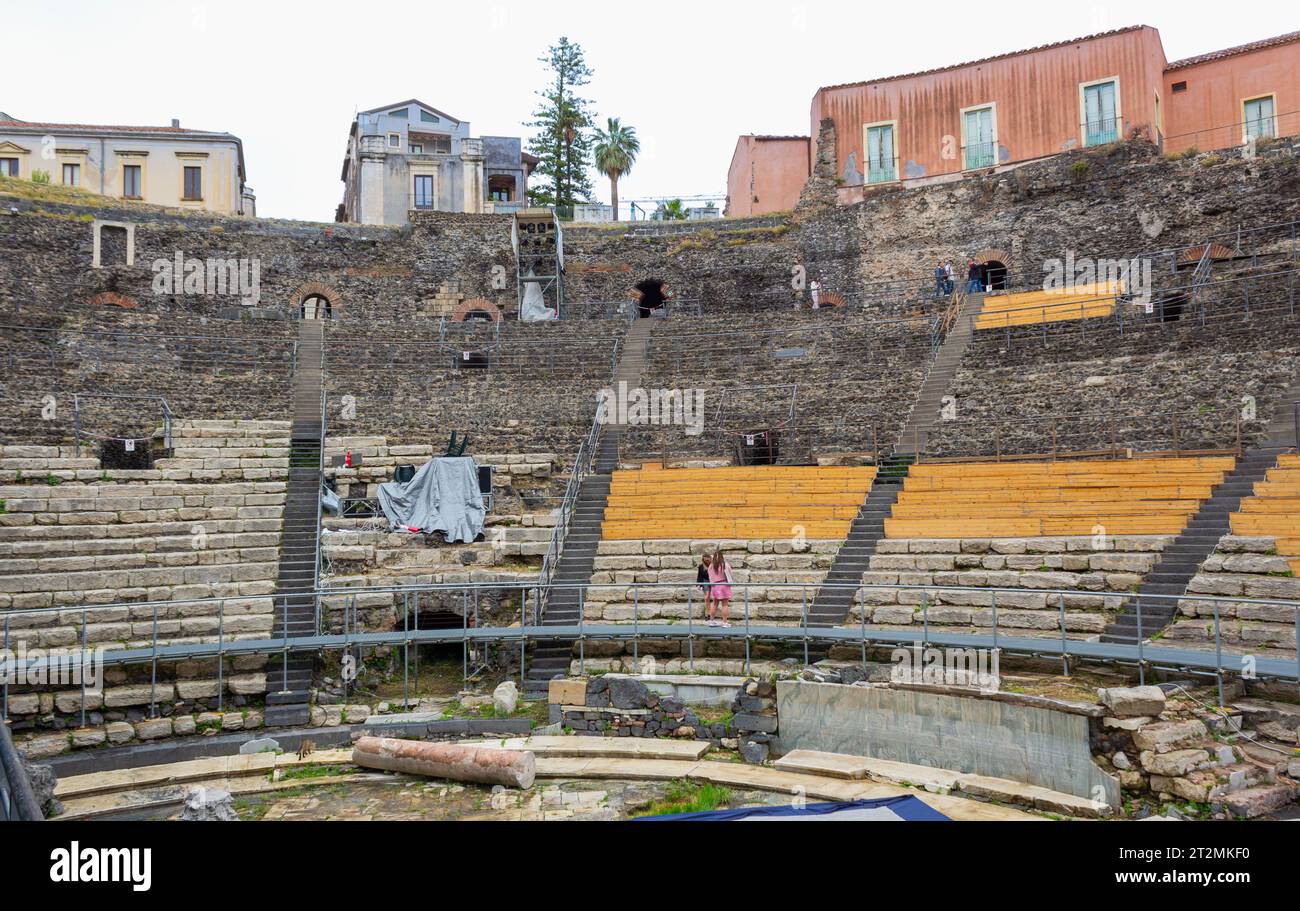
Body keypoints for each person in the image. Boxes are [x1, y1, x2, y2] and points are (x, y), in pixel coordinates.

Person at [707, 547, 734, 627]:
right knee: (725, 604)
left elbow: (710, 577)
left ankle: (711, 621)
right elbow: (730, 574)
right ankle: (725, 622)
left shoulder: (711, 566)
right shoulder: (725, 564)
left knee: (714, 603)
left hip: (715, 586)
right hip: (724, 585)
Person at [696, 553, 714, 622]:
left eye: (708, 559)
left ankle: (713, 613)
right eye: (705, 560)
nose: (707, 561)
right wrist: (698, 584)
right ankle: (708, 614)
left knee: (716, 598)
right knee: (707, 597)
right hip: (705, 581)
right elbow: (699, 576)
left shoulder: (713, 565)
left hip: (713, 581)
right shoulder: (701, 566)